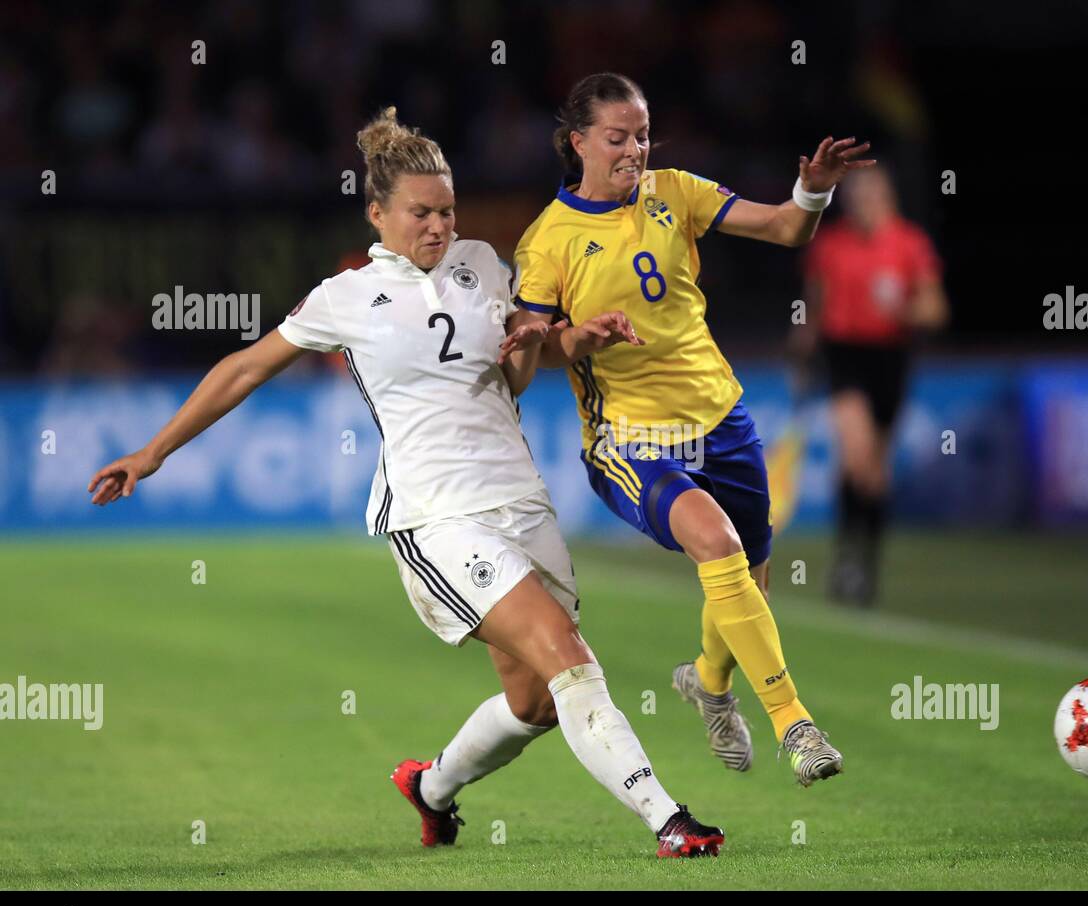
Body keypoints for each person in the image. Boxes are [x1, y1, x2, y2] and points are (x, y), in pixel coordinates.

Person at [87, 107, 724, 859]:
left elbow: (516, 374)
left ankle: (430, 787)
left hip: (519, 498)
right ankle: (670, 820)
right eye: (421, 213)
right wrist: (155, 450)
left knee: (535, 701)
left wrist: (549, 340)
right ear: (378, 213)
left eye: (447, 210)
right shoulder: (345, 297)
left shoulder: (484, 263)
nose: (438, 225)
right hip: (437, 516)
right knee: (570, 656)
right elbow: (245, 368)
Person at [513, 73, 872, 786]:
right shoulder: (548, 240)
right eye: (617, 138)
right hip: (631, 439)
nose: (634, 150)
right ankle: (795, 724)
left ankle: (709, 682)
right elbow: (538, 343)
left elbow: (782, 227)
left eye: (642, 135)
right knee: (718, 543)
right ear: (578, 140)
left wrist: (815, 189)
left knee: (746, 586)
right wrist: (580, 335)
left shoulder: (673, 190)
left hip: (721, 417)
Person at [795, 164, 948, 606]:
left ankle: (865, 561)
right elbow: (812, 305)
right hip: (844, 358)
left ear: (887, 199)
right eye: (856, 197)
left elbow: (936, 310)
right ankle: (846, 557)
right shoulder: (831, 244)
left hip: (891, 359)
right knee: (855, 451)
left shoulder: (909, 244)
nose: (863, 205)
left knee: (873, 472)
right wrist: (801, 352)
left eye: (871, 196)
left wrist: (904, 310)